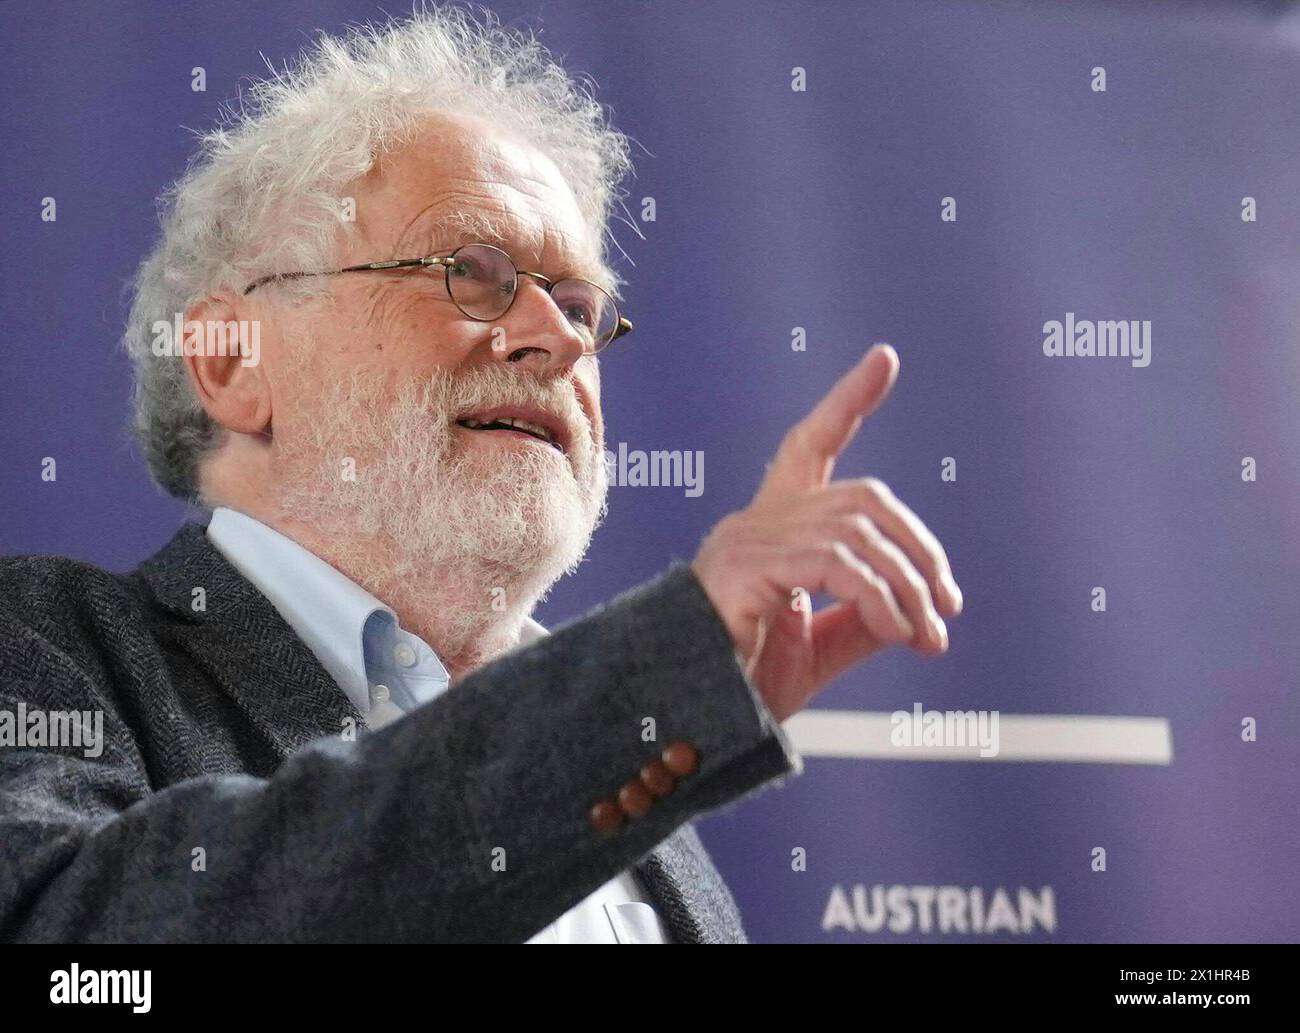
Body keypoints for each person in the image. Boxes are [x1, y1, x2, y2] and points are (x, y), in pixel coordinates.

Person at [0, 6, 961, 943]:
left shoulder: (647, 804)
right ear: (231, 360)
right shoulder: (45, 648)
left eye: (581, 305)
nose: (556, 338)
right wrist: (645, 689)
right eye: (472, 271)